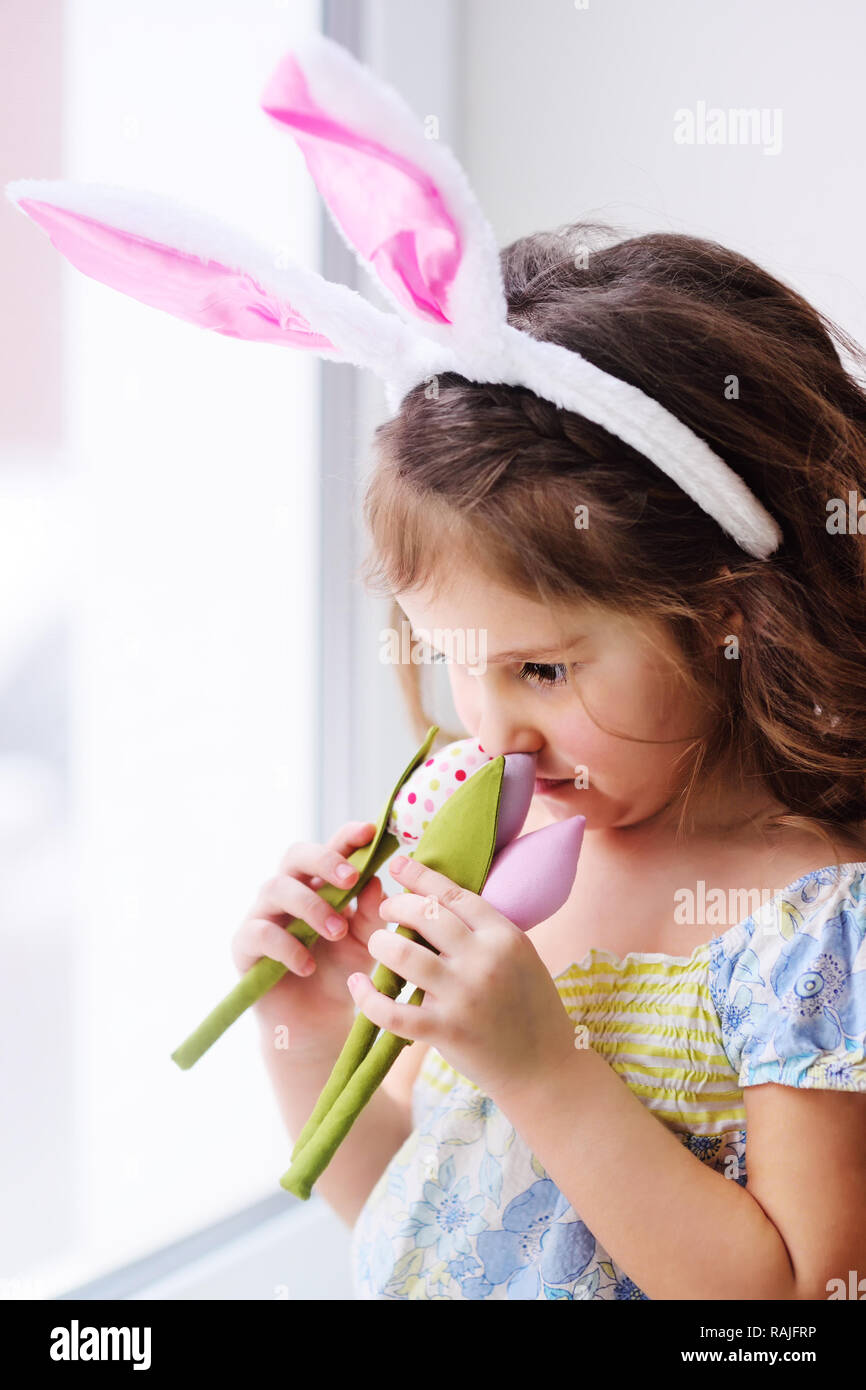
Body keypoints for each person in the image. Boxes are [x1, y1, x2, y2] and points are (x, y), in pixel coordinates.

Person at [232, 221, 866, 1300]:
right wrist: (309, 1021)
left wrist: (542, 1068)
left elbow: (799, 1301)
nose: (492, 734)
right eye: (453, 663)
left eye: (540, 670)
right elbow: (417, 1215)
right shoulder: (502, 863)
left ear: (729, 622)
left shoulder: (806, 919)